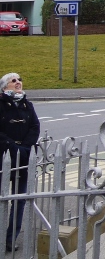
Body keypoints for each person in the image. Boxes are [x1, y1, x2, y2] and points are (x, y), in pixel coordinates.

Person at [0, 74, 39, 251]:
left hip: (23, 159)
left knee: (19, 201)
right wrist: (12, 147)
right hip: (3, 158)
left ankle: (10, 239)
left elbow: (34, 127)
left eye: (19, 79)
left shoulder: (27, 104)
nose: (18, 82)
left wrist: (24, 148)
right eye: (13, 80)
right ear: (4, 87)